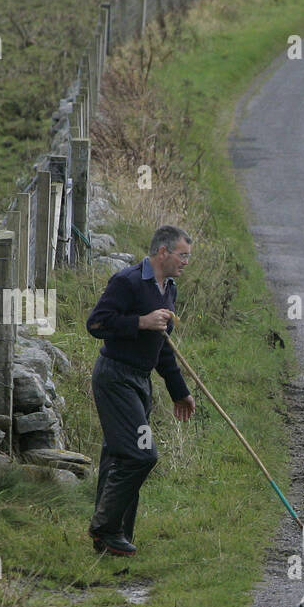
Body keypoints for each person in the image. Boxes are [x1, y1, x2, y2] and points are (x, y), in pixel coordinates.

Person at [85, 225, 196, 556]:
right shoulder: (128, 282)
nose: (186, 262)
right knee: (140, 455)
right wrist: (140, 322)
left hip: (140, 382)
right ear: (163, 252)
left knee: (119, 456)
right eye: (183, 255)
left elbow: (162, 347)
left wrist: (179, 391)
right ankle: (105, 527)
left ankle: (112, 540)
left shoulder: (168, 289)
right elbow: (96, 324)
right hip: (115, 377)